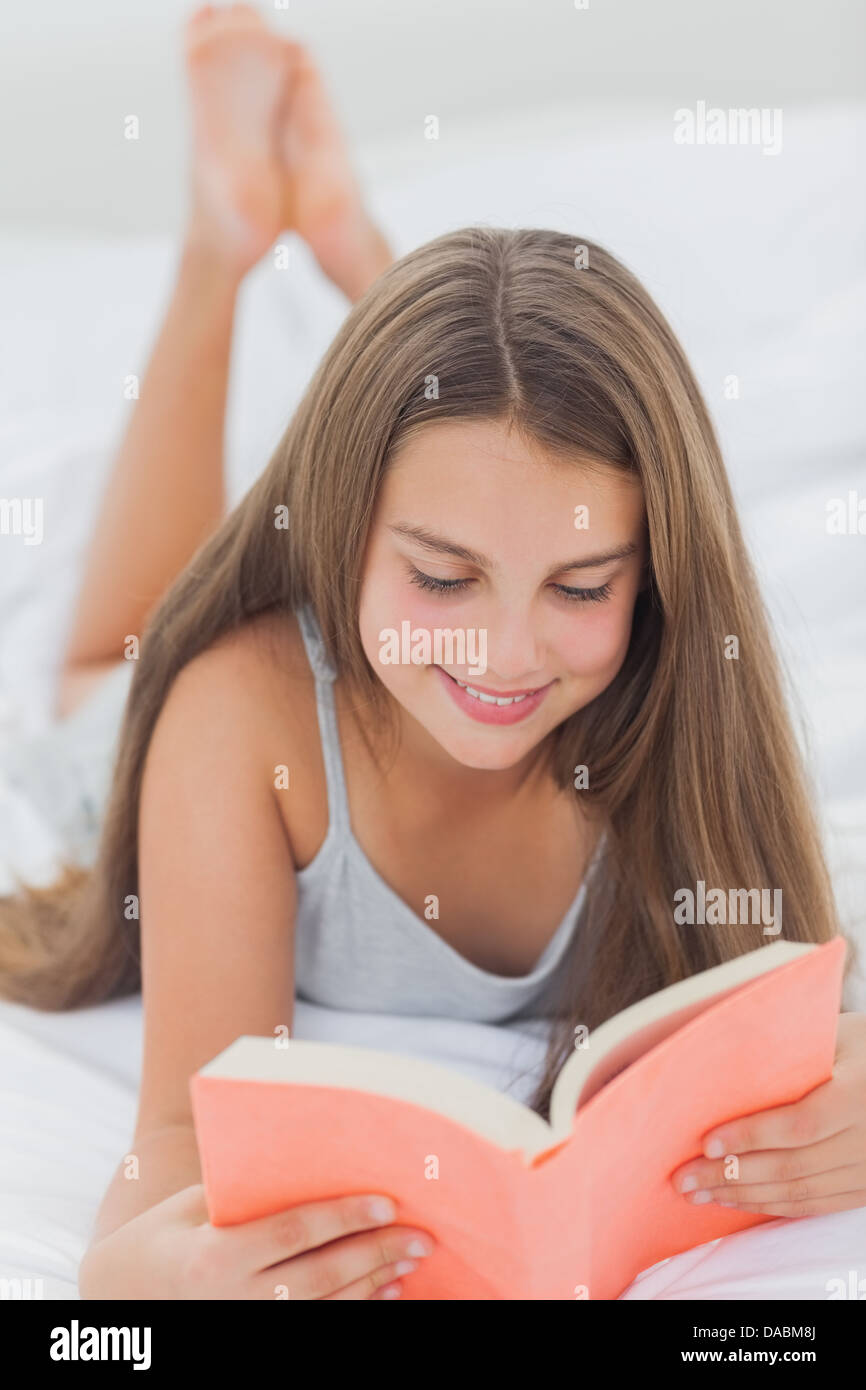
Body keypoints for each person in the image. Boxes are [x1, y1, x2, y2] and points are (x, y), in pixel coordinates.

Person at [1, 4, 864, 1301]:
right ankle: (220, 246)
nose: (506, 656)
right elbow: (181, 1133)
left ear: (656, 577)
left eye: (581, 583)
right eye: (440, 577)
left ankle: (361, 261)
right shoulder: (238, 717)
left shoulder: (674, 699)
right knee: (102, 680)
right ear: (339, 534)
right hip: (156, 732)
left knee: (485, 409)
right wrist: (139, 1277)